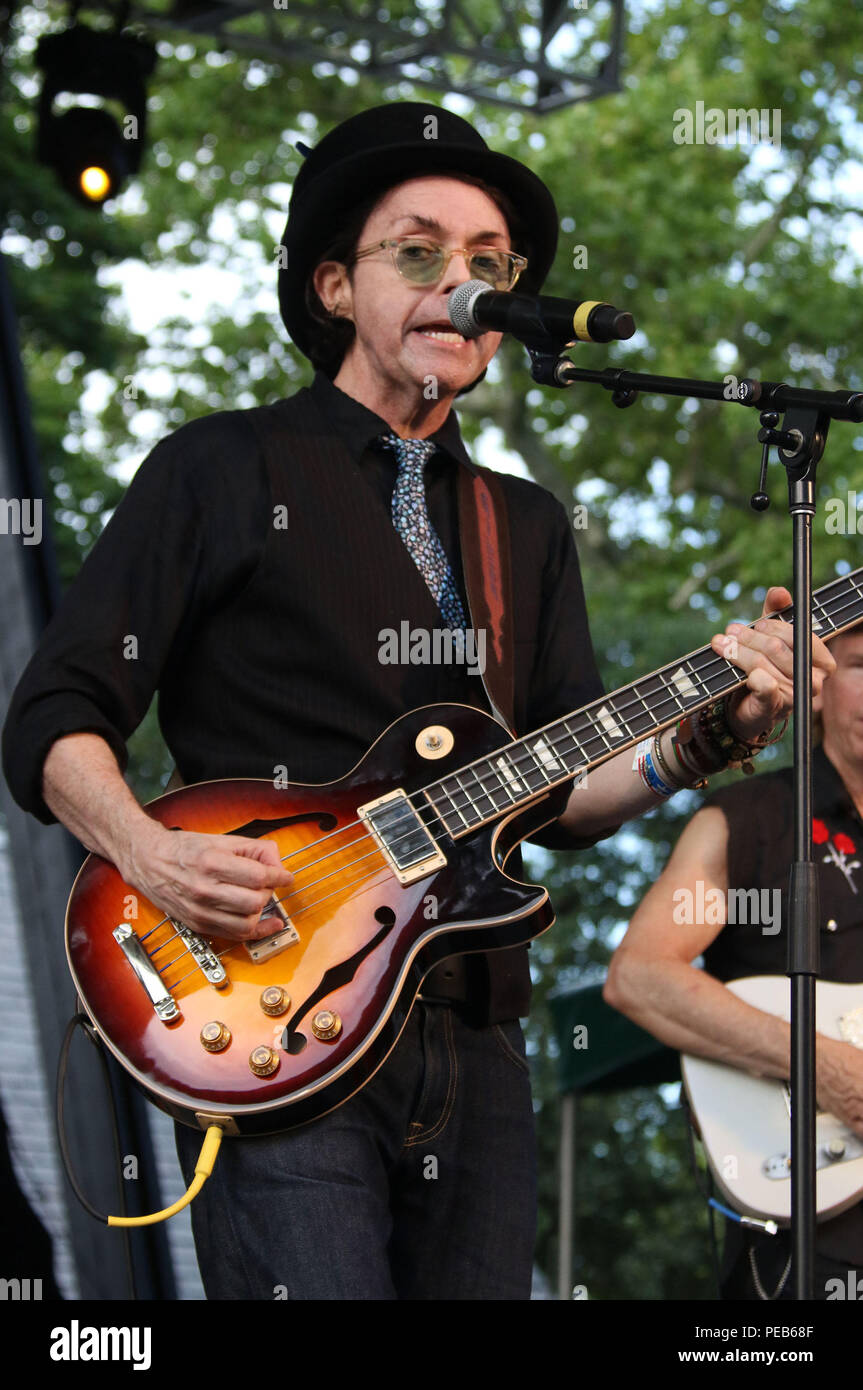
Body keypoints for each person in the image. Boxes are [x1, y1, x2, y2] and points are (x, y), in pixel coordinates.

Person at [1, 101, 833, 1301]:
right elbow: (54, 714)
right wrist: (148, 850)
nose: (464, 280)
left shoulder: (524, 525)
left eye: (489, 265)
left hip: (474, 1031)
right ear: (336, 287)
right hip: (268, 1003)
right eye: (420, 250)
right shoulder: (222, 467)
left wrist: (705, 733)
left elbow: (567, 783)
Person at [604, 622, 863, 1300]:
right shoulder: (748, 820)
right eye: (861, 665)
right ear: (815, 684)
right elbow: (641, 977)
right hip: (809, 1226)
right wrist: (821, 1066)